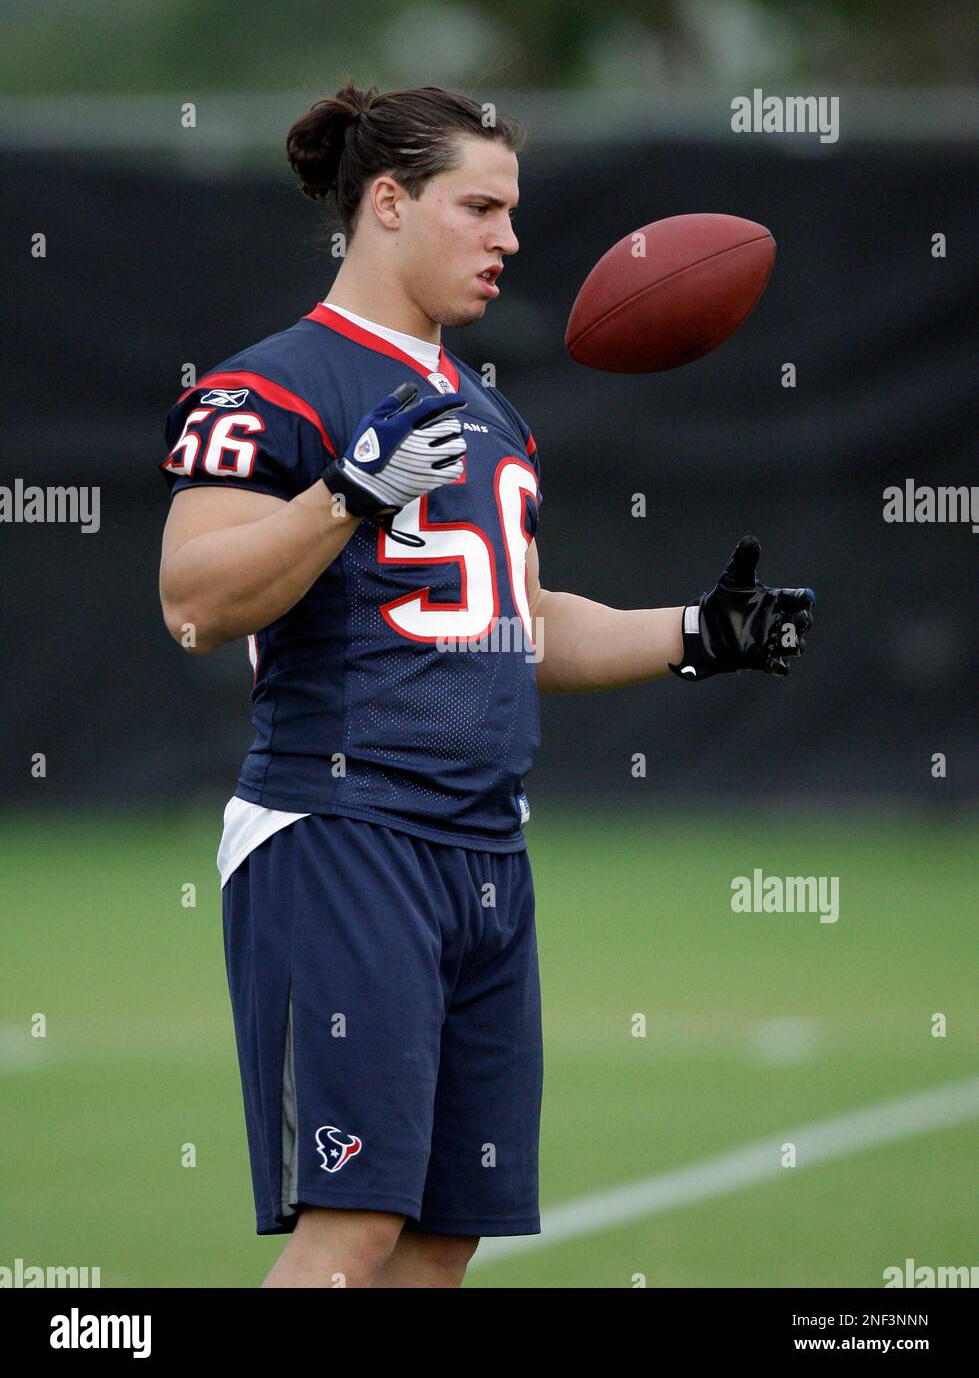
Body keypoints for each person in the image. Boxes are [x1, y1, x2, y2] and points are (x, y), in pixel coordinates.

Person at [157, 80, 814, 1289]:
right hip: (343, 834)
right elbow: (194, 597)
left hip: (483, 852)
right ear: (391, 204)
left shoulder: (489, 414)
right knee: (349, 1230)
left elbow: (516, 624)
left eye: (513, 210)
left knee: (442, 1237)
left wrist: (692, 633)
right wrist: (346, 492)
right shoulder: (272, 384)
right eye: (482, 206)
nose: (510, 237)